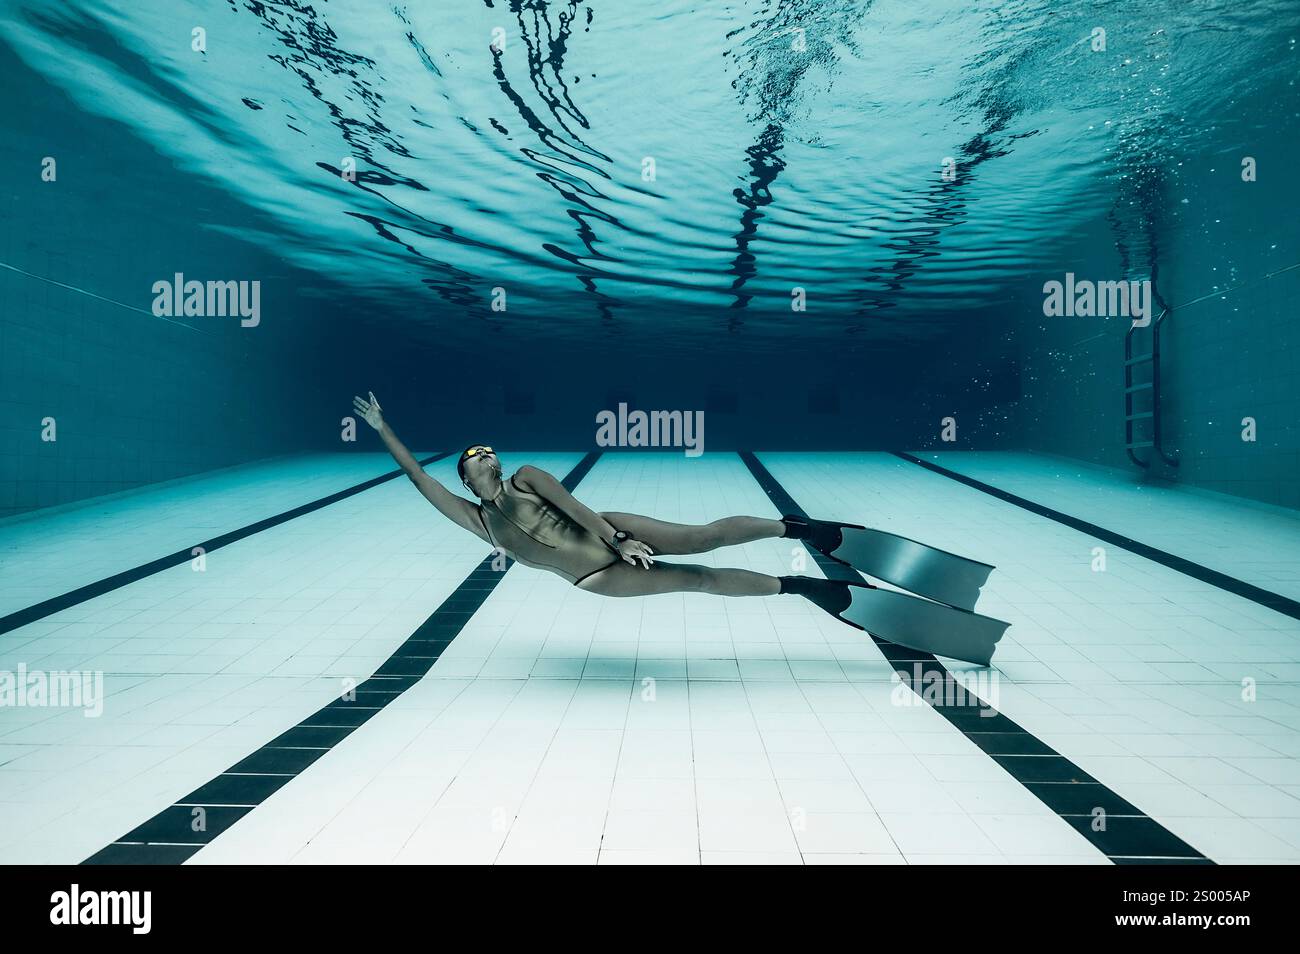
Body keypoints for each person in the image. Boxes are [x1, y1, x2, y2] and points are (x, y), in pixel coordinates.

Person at [351, 392, 1009, 666]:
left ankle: (793, 525)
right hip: (593, 576)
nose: (484, 454)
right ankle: (797, 588)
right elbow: (418, 479)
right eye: (473, 456)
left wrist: (621, 539)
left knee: (698, 538)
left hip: (608, 532)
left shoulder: (525, 476)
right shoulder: (478, 522)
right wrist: (384, 430)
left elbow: (576, 508)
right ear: (467, 478)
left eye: (486, 448)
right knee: (693, 578)